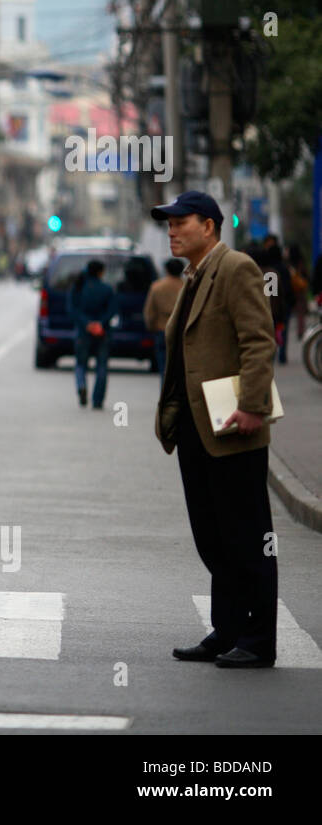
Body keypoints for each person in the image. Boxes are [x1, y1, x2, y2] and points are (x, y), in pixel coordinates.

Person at [152, 191, 278, 669]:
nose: (172, 231)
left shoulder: (237, 268)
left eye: (180, 222)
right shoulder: (193, 276)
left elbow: (258, 341)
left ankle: (259, 640)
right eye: (169, 224)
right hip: (196, 429)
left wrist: (252, 407)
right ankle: (226, 630)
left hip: (232, 426)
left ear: (208, 226)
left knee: (248, 537)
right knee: (213, 536)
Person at [70, 259, 116, 409]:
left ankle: (81, 385)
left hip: (83, 333)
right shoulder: (107, 289)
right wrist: (100, 324)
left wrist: (87, 324)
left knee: (80, 364)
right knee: (101, 366)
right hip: (102, 333)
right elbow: (112, 310)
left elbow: (72, 309)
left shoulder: (78, 288)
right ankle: (97, 401)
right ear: (100, 272)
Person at [144, 258, 185, 378]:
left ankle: (165, 393)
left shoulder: (157, 287)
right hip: (182, 330)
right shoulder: (188, 286)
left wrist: (151, 326)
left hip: (162, 329)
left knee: (164, 367)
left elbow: (150, 311)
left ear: (166, 270)